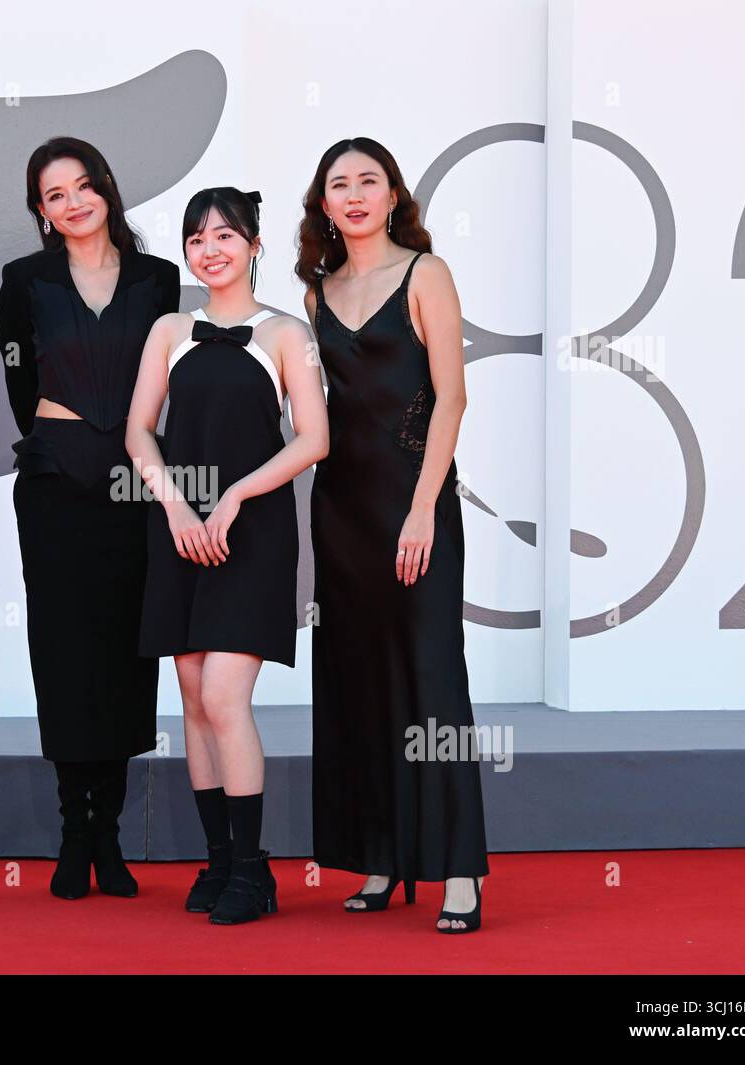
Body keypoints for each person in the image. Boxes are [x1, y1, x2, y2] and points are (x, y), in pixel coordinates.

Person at [298, 137, 488, 933]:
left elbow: (452, 397)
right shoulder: (317, 290)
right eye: (338, 184)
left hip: (415, 505)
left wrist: (423, 505)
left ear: (392, 193)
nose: (353, 194)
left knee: (432, 680)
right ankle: (378, 855)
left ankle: (456, 872)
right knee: (357, 679)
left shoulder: (425, 273)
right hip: (340, 509)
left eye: (366, 180)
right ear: (324, 203)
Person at [127, 187, 329, 925]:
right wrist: (175, 502)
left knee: (222, 695)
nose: (210, 250)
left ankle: (254, 869)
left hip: (253, 531)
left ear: (253, 244)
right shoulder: (169, 329)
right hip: (180, 530)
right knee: (190, 696)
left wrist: (236, 496)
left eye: (225, 236)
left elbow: (314, 437)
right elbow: (138, 430)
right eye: (196, 239)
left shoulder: (285, 331)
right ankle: (218, 862)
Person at [0, 137, 180, 900]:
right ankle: (76, 827)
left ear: (106, 186)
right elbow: (18, 384)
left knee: (127, 649)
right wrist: (57, 442)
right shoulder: (21, 280)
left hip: (134, 479)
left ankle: (110, 831)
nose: (72, 203)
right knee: (65, 649)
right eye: (53, 194)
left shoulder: (159, 278)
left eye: (82, 186)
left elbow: (164, 378)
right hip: (56, 481)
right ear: (39, 210)